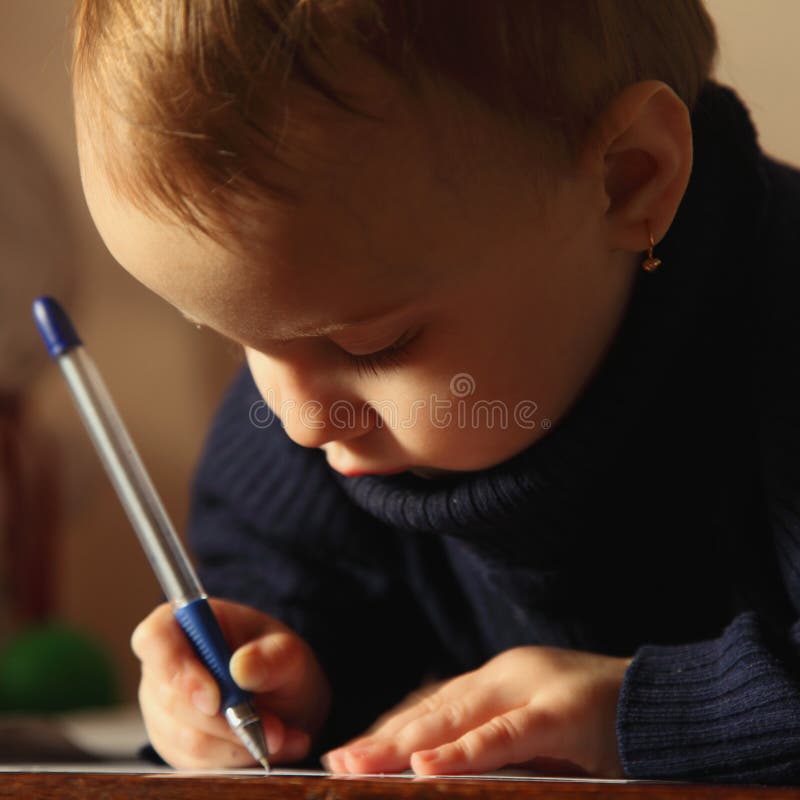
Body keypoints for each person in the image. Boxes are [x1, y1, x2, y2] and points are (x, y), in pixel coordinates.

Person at [70, 0, 800, 783]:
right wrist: (272, 676)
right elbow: (294, 579)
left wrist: (651, 710)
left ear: (630, 182)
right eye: (236, 338)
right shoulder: (321, 376)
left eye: (376, 345)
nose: (301, 421)